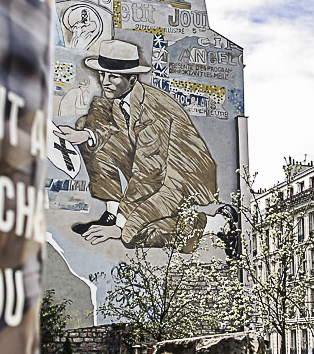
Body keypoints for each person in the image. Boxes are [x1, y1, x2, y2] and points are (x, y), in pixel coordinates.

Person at [53, 39, 232, 254]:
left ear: (132, 78)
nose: (104, 82)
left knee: (132, 234)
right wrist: (86, 134)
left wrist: (122, 226)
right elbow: (102, 120)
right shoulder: (122, 96)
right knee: (87, 127)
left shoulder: (153, 112)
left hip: (180, 181)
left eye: (113, 76)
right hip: (152, 168)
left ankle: (214, 225)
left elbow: (149, 175)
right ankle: (111, 212)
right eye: (102, 74)